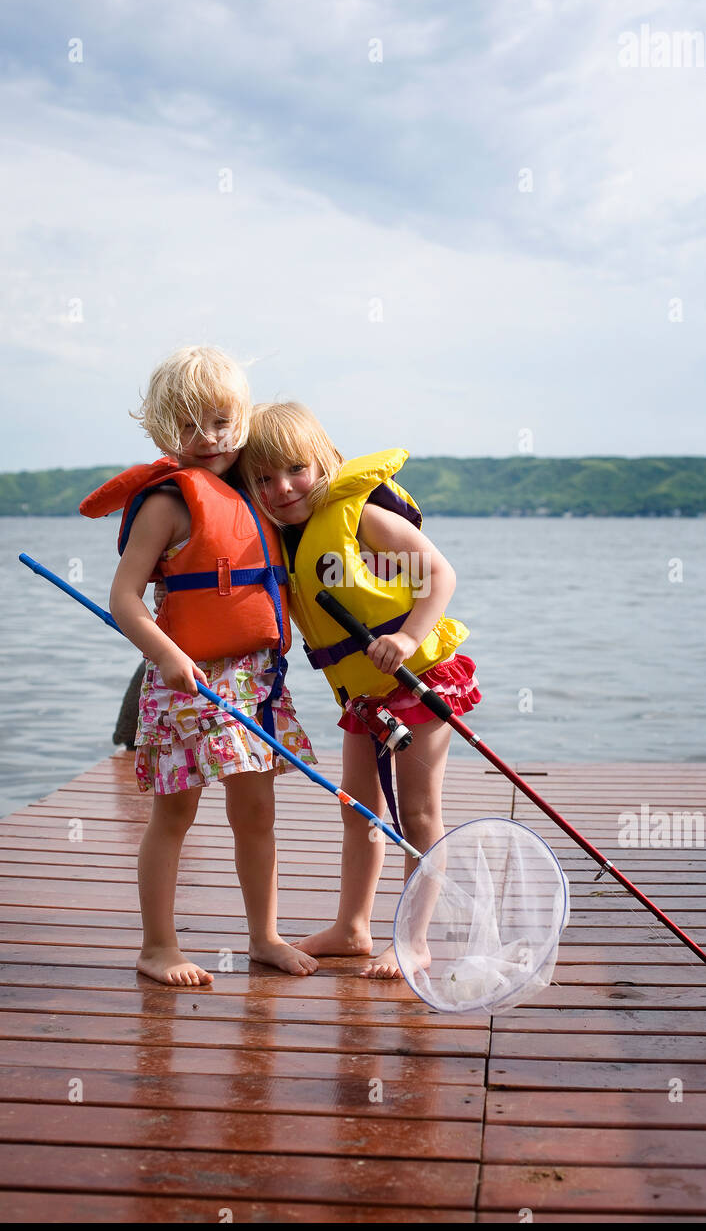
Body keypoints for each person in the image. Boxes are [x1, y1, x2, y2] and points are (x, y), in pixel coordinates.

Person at [80, 348, 319, 985]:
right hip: (185, 679)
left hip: (255, 678)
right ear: (165, 433)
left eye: (219, 421)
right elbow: (123, 599)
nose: (207, 439)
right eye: (189, 426)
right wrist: (167, 655)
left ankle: (265, 937)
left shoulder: (256, 488)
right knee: (175, 813)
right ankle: (158, 945)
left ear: (241, 418)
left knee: (257, 812)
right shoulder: (168, 504)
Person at [238, 401, 480, 979]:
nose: (282, 488)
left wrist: (407, 637)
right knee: (359, 811)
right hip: (363, 698)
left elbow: (439, 574)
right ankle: (352, 928)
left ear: (324, 460)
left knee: (418, 812)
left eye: (295, 469)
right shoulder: (291, 538)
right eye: (264, 479)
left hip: (418, 680)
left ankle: (415, 940)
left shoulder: (362, 515)